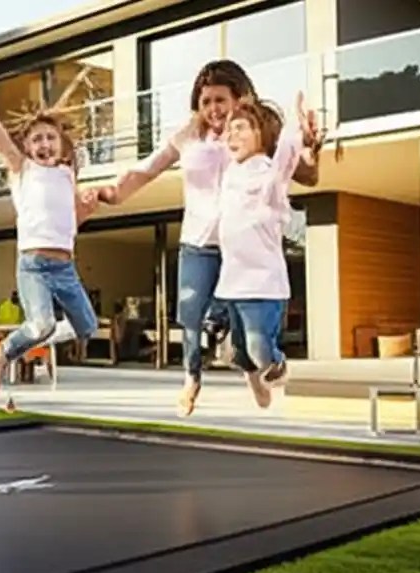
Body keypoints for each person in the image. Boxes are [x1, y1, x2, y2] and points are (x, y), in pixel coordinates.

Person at [97, 59, 324, 417]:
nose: (214, 109)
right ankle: (192, 377)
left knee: (241, 324)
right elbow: (147, 168)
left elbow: (305, 174)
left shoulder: (253, 131)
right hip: (199, 241)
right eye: (206, 102)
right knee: (190, 313)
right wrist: (112, 193)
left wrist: (310, 145)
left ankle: (252, 371)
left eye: (221, 100)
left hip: (243, 247)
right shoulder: (188, 136)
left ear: (240, 98)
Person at [0, 62, 101, 398]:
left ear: (62, 144)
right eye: (37, 139)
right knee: (42, 324)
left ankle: (36, 334)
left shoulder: (67, 174)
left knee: (87, 327)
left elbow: (67, 223)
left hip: (65, 267)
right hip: (34, 266)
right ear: (26, 146)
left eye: (50, 138)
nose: (44, 144)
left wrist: (86, 209)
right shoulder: (22, 169)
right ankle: (3, 353)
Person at [215, 96, 308, 409]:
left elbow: (284, 161)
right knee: (239, 351)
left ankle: (277, 364)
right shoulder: (231, 175)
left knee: (258, 347)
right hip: (233, 283)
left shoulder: (269, 179)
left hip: (262, 285)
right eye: (230, 129)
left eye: (241, 127)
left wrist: (296, 130)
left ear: (262, 135)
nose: (232, 135)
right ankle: (259, 384)